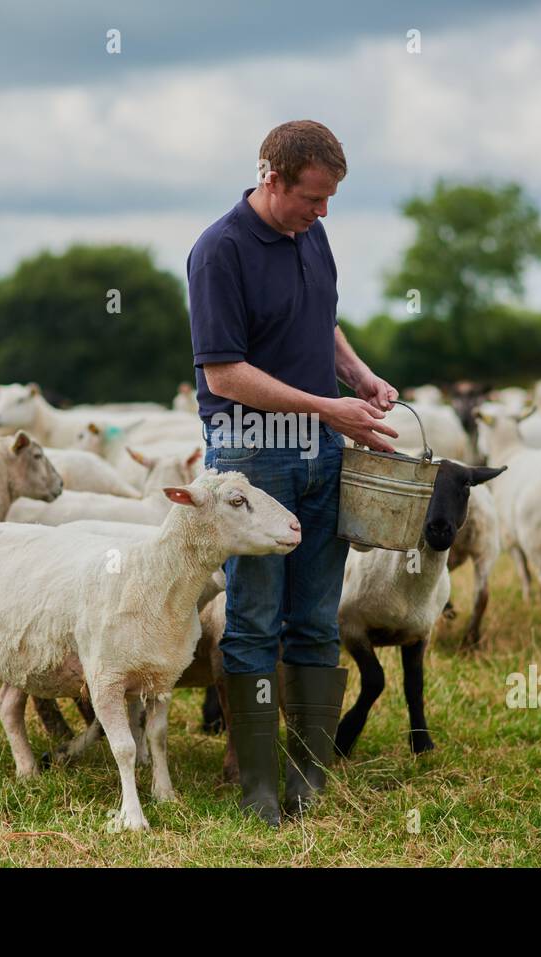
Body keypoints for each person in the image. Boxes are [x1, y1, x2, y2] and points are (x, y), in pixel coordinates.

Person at [187, 119, 399, 825]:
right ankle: (258, 784)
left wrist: (359, 376)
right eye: (313, 197)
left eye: (331, 198)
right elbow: (226, 372)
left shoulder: (312, 235)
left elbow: (321, 321)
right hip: (252, 455)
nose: (324, 212)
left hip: (322, 451)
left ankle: (309, 774)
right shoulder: (219, 252)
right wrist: (325, 408)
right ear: (271, 178)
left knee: (315, 618)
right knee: (251, 620)